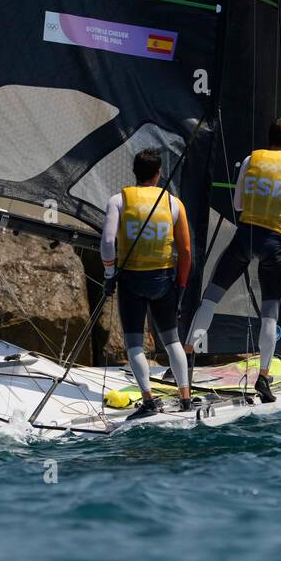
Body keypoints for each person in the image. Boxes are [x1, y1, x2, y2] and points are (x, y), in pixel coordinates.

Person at [187, 76, 281, 402]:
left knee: (211, 297)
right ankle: (264, 379)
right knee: (270, 314)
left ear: (269, 138)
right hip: (274, 244)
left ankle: (184, 360)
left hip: (246, 237)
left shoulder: (251, 160)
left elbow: (239, 204)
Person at [100, 148, 194, 415]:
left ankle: (149, 400)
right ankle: (185, 398)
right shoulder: (174, 203)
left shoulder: (118, 200)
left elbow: (107, 242)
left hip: (131, 281)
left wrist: (109, 276)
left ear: (134, 172)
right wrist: (182, 286)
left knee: (134, 344)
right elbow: (186, 252)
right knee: (172, 340)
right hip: (163, 280)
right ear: (159, 173)